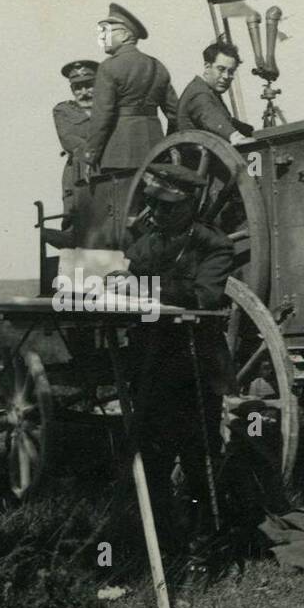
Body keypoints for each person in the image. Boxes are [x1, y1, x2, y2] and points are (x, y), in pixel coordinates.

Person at [121, 164, 234, 573]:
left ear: (190, 204)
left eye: (167, 206)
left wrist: (142, 288)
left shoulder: (212, 245)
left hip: (194, 366)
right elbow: (128, 275)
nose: (157, 213)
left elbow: (204, 296)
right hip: (151, 361)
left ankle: (208, 553)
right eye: (152, 204)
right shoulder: (147, 242)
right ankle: (165, 548)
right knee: (152, 457)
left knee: (200, 458)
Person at [83, 3, 179, 172]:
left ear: (125, 35)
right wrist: (170, 145)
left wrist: (90, 156)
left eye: (107, 32)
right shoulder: (158, 66)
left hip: (119, 155)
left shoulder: (108, 67)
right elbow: (175, 113)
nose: (102, 38)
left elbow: (102, 118)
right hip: (157, 152)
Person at [51, 58, 97, 237]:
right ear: (72, 89)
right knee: (76, 220)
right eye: (78, 87)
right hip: (79, 172)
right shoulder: (64, 111)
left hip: (110, 169)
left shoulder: (110, 109)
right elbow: (69, 140)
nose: (84, 92)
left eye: (89, 85)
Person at [176, 39, 255, 141]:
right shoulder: (199, 94)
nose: (226, 76)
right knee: (257, 156)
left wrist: (251, 131)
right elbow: (211, 116)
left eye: (231, 71)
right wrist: (236, 137)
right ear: (207, 67)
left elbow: (225, 120)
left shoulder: (208, 91)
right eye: (221, 69)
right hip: (196, 155)